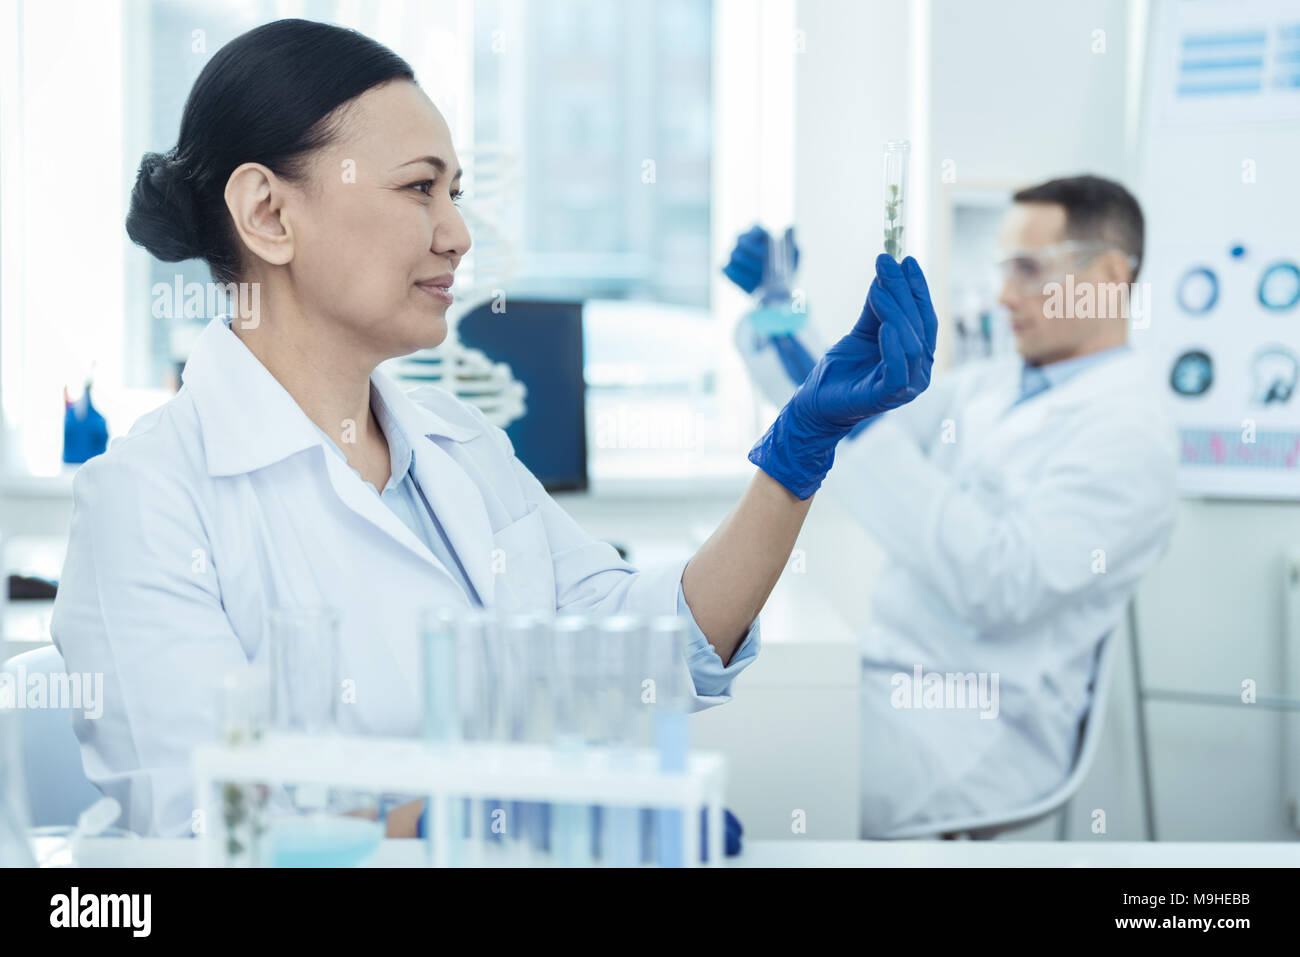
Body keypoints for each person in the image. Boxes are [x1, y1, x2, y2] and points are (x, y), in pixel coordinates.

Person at [50, 18, 937, 838]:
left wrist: (796, 454)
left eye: (457, 192)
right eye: (420, 189)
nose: (458, 233)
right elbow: (214, 831)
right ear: (269, 215)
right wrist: (485, 816)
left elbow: (648, 648)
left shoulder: (455, 442)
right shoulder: (149, 500)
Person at [727, 175, 1177, 836]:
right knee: (720, 710)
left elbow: (1001, 582)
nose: (1003, 295)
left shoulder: (1129, 436)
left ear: (1109, 275)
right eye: (1004, 269)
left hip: (975, 729)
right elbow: (854, 410)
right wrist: (778, 315)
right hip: (888, 683)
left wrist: (862, 427)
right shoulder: (996, 383)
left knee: (750, 764)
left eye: (1029, 269)